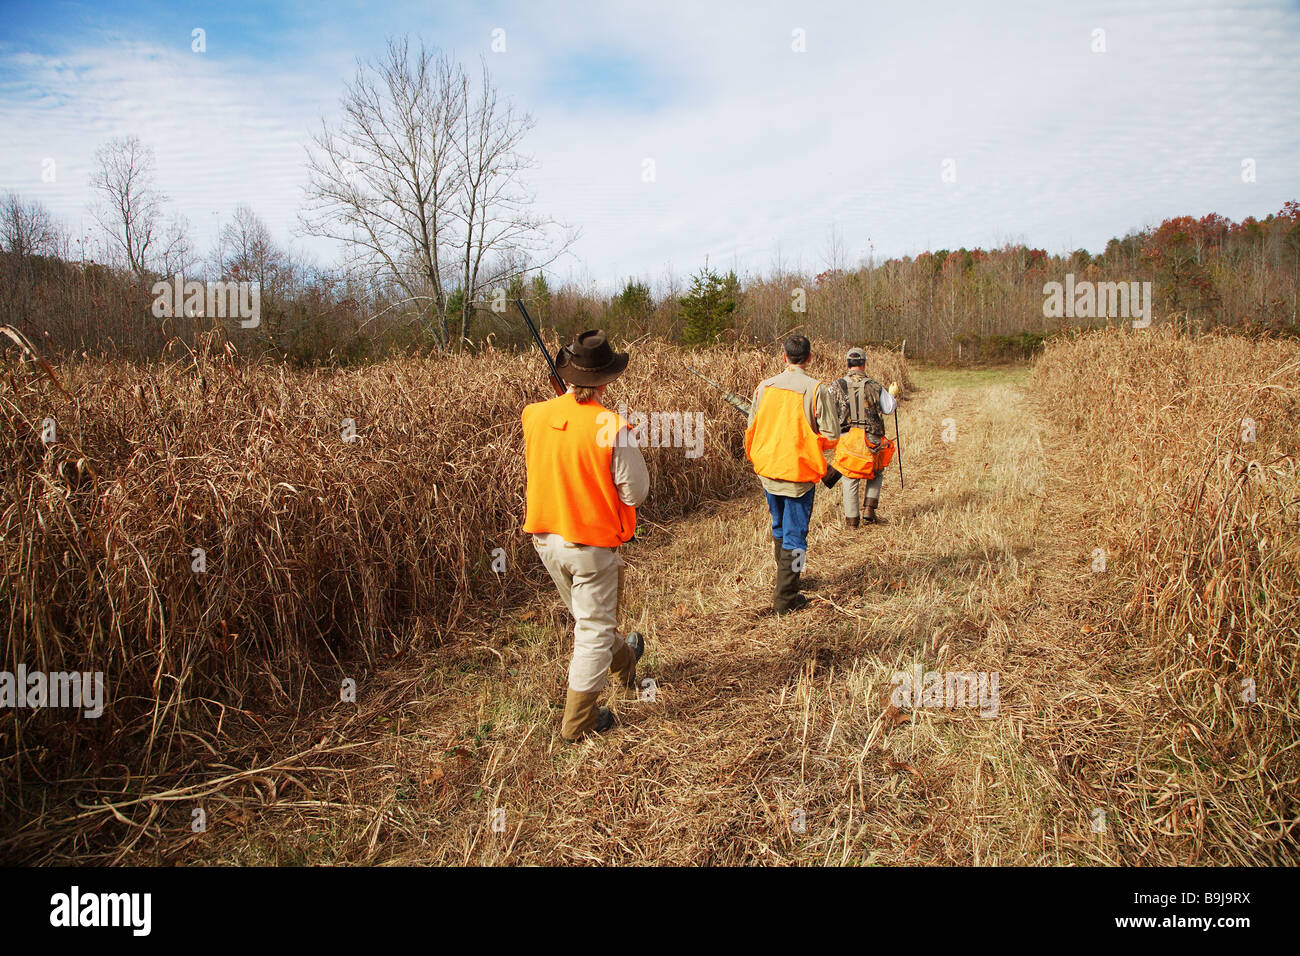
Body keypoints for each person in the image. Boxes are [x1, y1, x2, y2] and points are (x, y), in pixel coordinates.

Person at [522, 330, 649, 741]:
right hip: (590, 544)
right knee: (593, 630)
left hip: (545, 539)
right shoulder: (613, 426)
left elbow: (558, 439)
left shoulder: (534, 415)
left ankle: (626, 662)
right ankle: (578, 723)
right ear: (606, 381)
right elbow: (635, 491)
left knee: (589, 615)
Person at [744, 334, 840, 614]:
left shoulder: (764, 387)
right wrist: (806, 443)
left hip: (769, 472)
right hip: (798, 477)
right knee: (796, 538)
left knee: (778, 526)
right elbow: (832, 436)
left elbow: (752, 429)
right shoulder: (816, 389)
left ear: (784, 357)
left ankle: (787, 579)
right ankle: (786, 598)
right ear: (810, 358)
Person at [831, 347, 899, 527]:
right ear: (864, 363)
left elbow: (828, 411)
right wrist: (893, 395)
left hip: (847, 438)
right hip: (872, 437)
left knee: (850, 476)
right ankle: (869, 509)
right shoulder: (875, 385)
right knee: (876, 471)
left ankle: (852, 521)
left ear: (847, 364)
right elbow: (889, 408)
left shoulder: (836, 385)